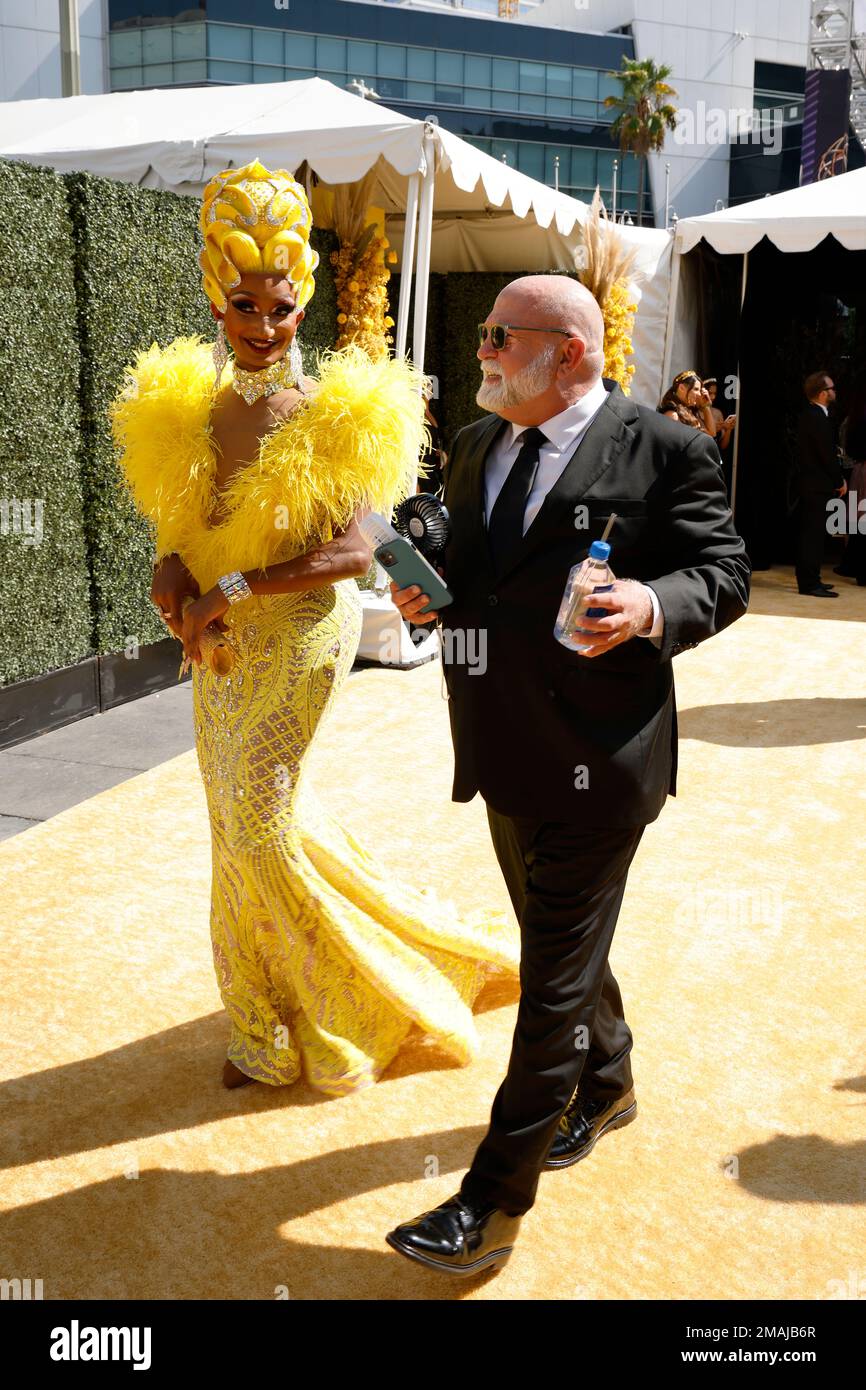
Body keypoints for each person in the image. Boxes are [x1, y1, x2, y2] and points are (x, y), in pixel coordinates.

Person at [110, 159, 519, 1097]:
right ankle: (260, 1024)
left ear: (305, 307)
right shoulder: (183, 408)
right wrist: (176, 586)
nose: (263, 329)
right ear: (219, 301)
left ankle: (364, 1000)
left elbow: (353, 552)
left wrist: (236, 590)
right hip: (222, 641)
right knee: (235, 824)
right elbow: (181, 535)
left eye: (281, 309)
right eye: (245, 308)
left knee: (258, 829)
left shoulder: (335, 416)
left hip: (298, 637)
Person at [386, 275, 750, 1277]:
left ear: (571, 355)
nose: (484, 352)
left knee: (548, 978)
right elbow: (465, 562)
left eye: (502, 336)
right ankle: (610, 1078)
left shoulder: (665, 449)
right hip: (499, 745)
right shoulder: (472, 444)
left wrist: (644, 602)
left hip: (603, 752)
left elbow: (721, 570)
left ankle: (488, 1204)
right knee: (559, 940)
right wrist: (422, 581)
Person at [792, 369, 846, 598]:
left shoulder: (811, 415)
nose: (834, 392)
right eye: (831, 388)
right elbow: (826, 455)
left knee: (812, 535)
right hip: (816, 485)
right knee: (812, 536)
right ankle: (809, 583)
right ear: (823, 393)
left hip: (811, 484)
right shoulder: (817, 417)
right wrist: (839, 480)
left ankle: (811, 579)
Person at [657, 370, 716, 435]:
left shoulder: (690, 412)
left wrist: (706, 406)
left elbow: (712, 433)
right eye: (696, 389)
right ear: (681, 388)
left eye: (700, 390)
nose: (699, 394)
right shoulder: (673, 415)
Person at [703, 377, 736, 451]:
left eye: (715, 393)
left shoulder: (717, 413)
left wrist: (728, 429)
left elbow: (722, 446)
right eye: (710, 393)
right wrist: (721, 426)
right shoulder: (694, 411)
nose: (713, 397)